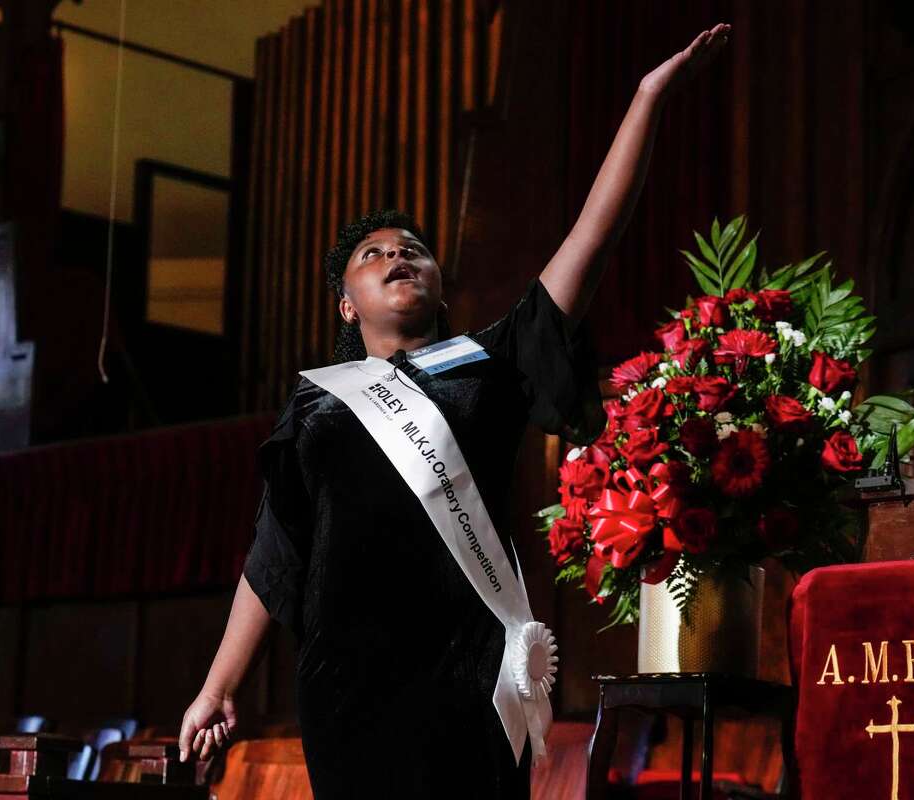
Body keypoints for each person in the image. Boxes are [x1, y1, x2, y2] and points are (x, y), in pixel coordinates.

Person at [178, 23, 731, 798]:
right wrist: (218, 685)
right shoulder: (315, 403)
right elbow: (275, 553)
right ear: (346, 302)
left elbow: (591, 240)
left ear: (440, 282)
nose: (398, 255)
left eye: (413, 248)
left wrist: (647, 99)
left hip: (470, 675)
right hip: (349, 687)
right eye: (373, 255)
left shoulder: (490, 363)